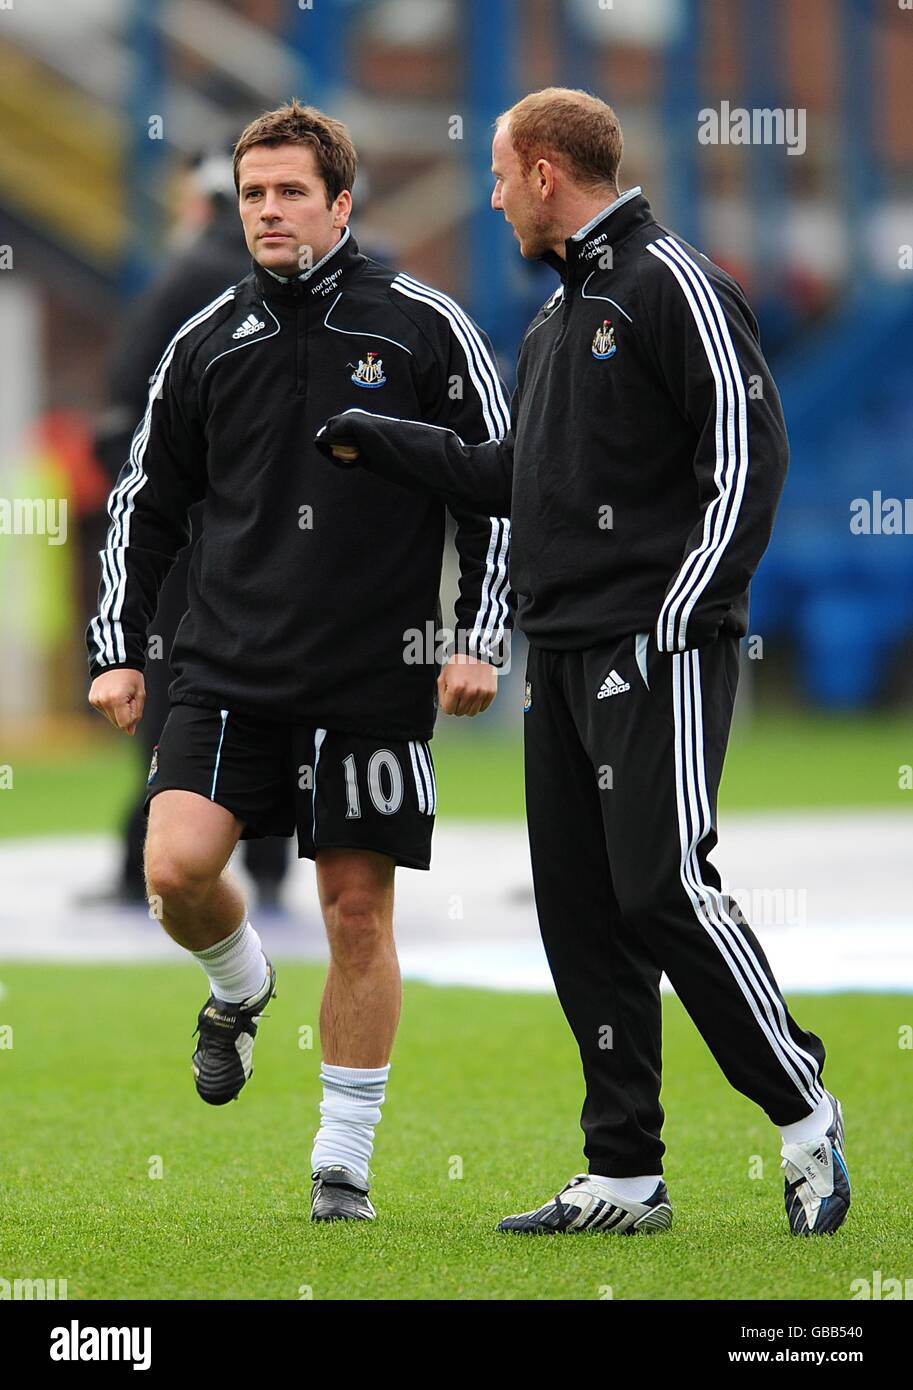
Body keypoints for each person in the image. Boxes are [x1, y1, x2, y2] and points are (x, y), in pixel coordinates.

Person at [316, 88, 850, 1237]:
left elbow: (748, 450)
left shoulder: (672, 281)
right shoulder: (559, 317)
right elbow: (526, 480)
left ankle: (804, 1110)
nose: (493, 191)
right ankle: (623, 1172)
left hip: (650, 642)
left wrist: (686, 607)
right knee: (581, 911)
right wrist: (388, 442)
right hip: (559, 656)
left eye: (503, 173)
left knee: (663, 887)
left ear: (549, 173)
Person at [86, 102, 511, 1224]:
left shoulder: (423, 325)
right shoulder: (204, 339)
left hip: (372, 675)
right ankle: (239, 986)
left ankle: (343, 1162)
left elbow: (503, 486)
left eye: (289, 192)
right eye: (252, 194)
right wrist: (119, 650)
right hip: (224, 667)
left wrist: (478, 634)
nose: (269, 211)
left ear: (340, 201)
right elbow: (144, 507)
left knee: (356, 913)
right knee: (173, 867)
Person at [84, 150, 291, 909]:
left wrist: (137, 486)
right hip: (268, 542)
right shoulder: (297, 287)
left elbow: (128, 411)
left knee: (175, 696)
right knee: (272, 694)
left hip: (197, 539)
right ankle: (269, 861)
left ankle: (144, 859)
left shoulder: (193, 280)